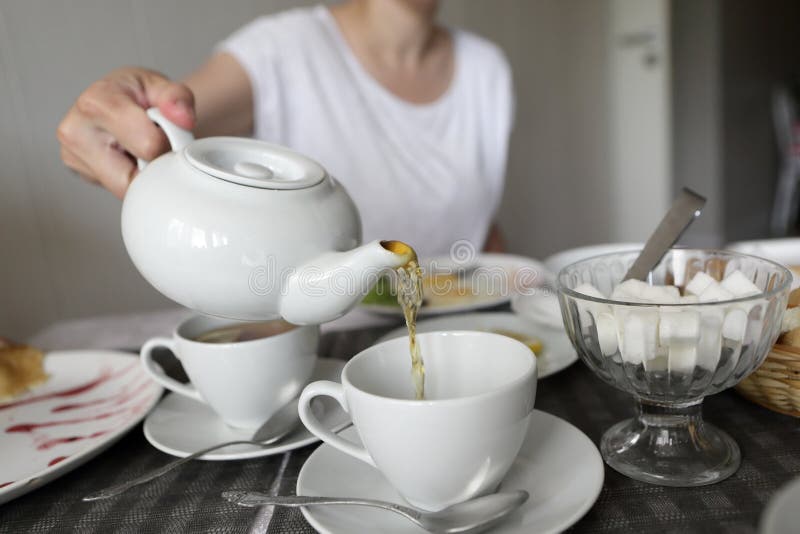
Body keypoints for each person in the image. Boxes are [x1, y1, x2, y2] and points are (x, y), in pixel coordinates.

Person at [57, 0, 513, 258]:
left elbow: (475, 229)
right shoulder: (281, 52)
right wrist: (109, 124)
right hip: (324, 354)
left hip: (454, 339)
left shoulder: (487, 68)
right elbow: (143, 137)